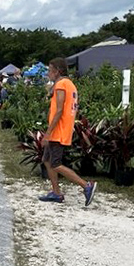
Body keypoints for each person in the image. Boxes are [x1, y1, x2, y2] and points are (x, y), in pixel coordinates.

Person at [39, 58, 97, 207]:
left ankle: (86, 185)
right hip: (63, 128)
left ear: (57, 71)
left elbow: (59, 110)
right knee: (47, 160)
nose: (48, 73)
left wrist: (48, 133)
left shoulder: (61, 85)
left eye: (50, 71)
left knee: (56, 164)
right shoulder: (70, 84)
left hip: (57, 131)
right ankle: (56, 192)